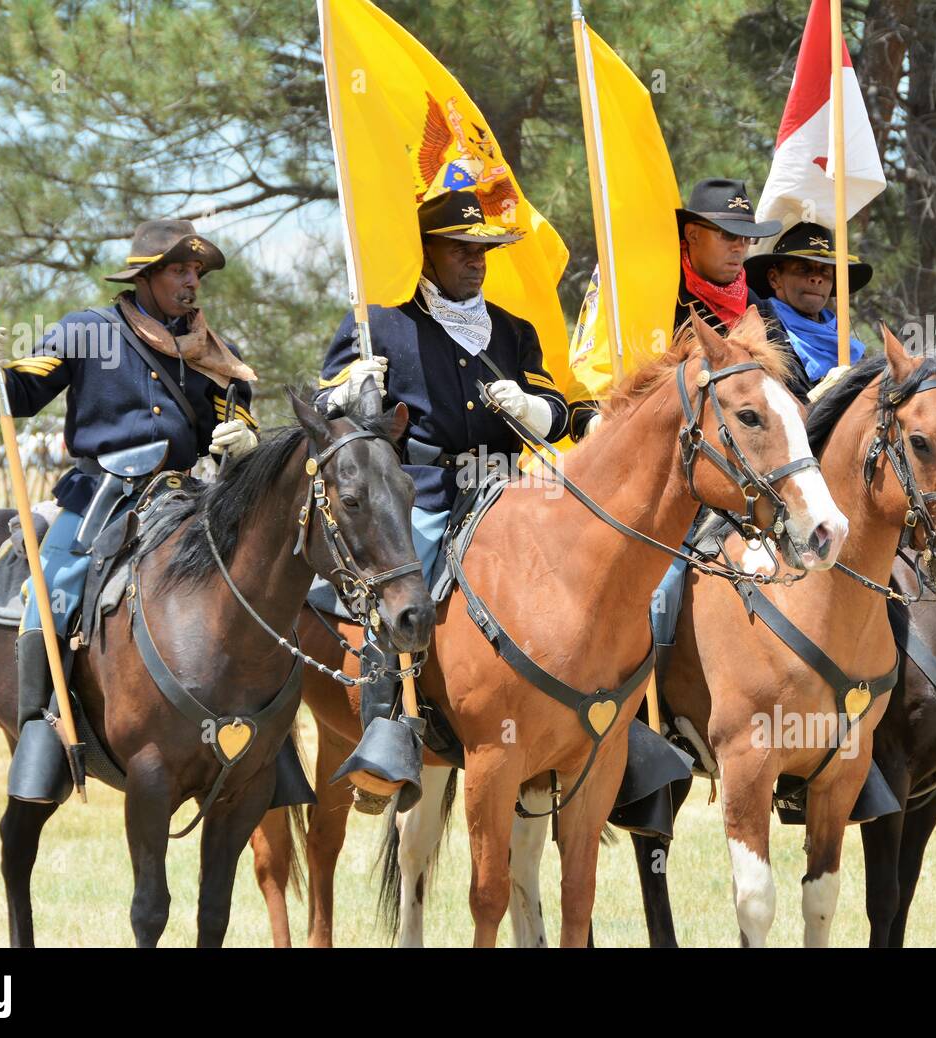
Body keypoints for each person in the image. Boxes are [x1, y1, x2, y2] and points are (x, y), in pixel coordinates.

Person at [0, 218, 259, 803]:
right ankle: (40, 733)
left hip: (183, 497)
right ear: (145, 277)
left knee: (254, 586)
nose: (191, 282)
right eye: (179, 269)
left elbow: (238, 421)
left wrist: (242, 443)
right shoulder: (86, 332)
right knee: (52, 592)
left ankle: (262, 745)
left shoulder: (214, 351)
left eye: (197, 272)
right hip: (98, 498)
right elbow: (15, 395)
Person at [315, 189, 568, 806]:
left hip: (513, 491)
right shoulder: (379, 323)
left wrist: (534, 409)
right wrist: (350, 392)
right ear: (425, 252)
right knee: (401, 594)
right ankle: (386, 737)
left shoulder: (513, 331)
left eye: (482, 249)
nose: (475, 260)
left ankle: (602, 726)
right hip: (425, 492)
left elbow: (559, 409)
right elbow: (323, 406)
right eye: (459, 248)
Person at [566, 178, 781, 439]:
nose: (740, 246)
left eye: (747, 238)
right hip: (647, 442)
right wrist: (594, 424)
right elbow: (592, 372)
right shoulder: (650, 291)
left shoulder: (755, 305)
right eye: (728, 234)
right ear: (692, 234)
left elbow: (783, 387)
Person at [743, 221, 873, 399]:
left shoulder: (847, 344)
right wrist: (818, 398)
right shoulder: (762, 335)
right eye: (803, 268)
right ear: (774, 278)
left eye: (825, 271)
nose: (817, 278)